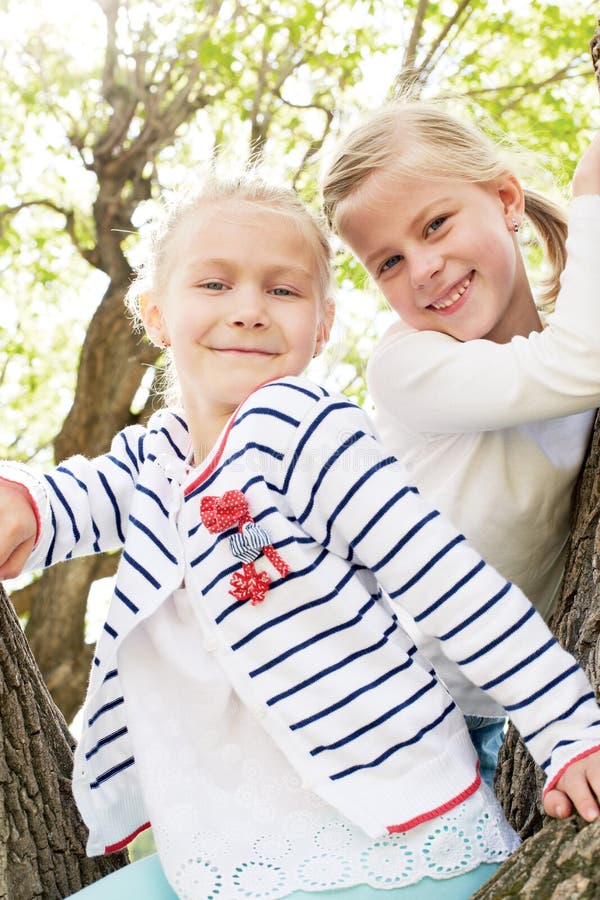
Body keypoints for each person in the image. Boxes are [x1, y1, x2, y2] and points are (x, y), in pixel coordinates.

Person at [1, 175, 600, 900]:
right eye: (215, 284)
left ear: (322, 328)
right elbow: (63, 502)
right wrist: (22, 504)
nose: (249, 311)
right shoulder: (155, 457)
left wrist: (569, 729)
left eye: (283, 291)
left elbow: (448, 583)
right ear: (157, 314)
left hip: (384, 835)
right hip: (231, 848)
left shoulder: (305, 425)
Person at [321, 103, 600, 785]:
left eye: (435, 224)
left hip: (528, 704)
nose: (422, 268)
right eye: (388, 261)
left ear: (506, 199)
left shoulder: (561, 344)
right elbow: (589, 357)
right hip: (412, 711)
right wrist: (591, 191)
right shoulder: (408, 367)